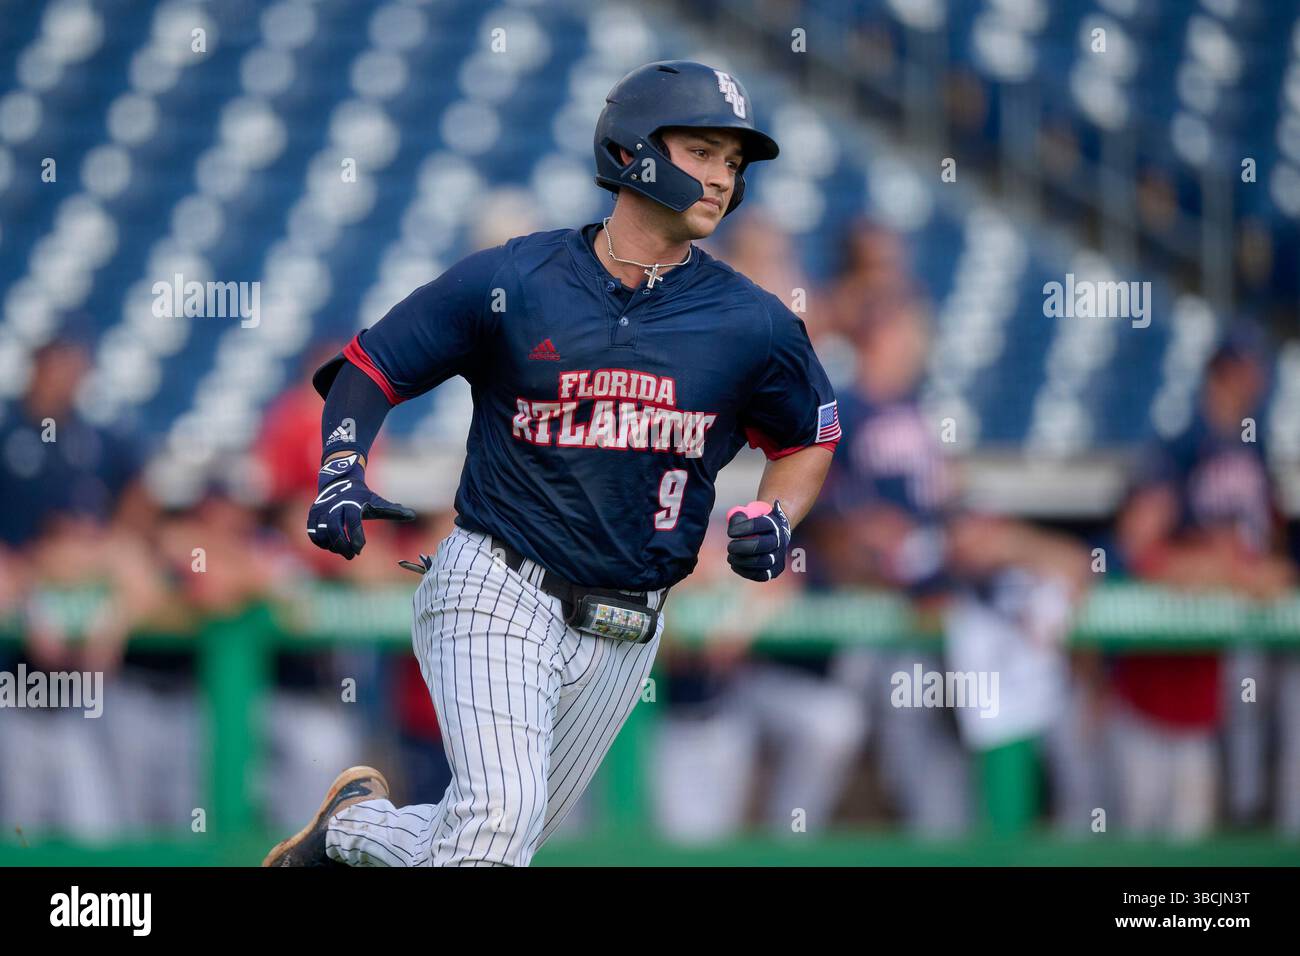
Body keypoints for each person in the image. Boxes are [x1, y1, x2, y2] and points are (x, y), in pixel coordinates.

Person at [263, 61, 840, 867]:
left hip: (628, 624)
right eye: (703, 151)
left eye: (733, 164)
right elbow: (372, 363)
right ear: (634, 149)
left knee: (487, 835)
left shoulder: (755, 323)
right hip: (498, 583)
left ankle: (348, 837)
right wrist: (340, 466)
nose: (721, 178)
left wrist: (780, 517)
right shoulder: (517, 277)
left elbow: (809, 436)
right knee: (495, 832)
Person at [1109, 326, 1295, 838]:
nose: (1251, 384)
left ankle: (1262, 823)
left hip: (1218, 660)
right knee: (1141, 826)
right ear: (1219, 374)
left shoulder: (1253, 450)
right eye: (1240, 371)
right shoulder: (1179, 447)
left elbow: (1272, 543)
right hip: (1158, 679)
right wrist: (1223, 568)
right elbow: (1138, 550)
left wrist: (1253, 569)